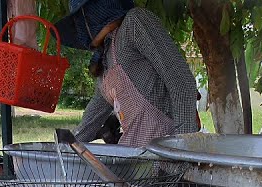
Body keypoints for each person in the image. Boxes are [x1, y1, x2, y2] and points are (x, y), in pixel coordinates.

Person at [54, 0, 200, 148]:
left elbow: (181, 82)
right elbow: (90, 122)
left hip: (168, 151)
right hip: (138, 160)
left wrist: (184, 147)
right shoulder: (104, 61)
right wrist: (66, 146)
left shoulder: (134, 23)